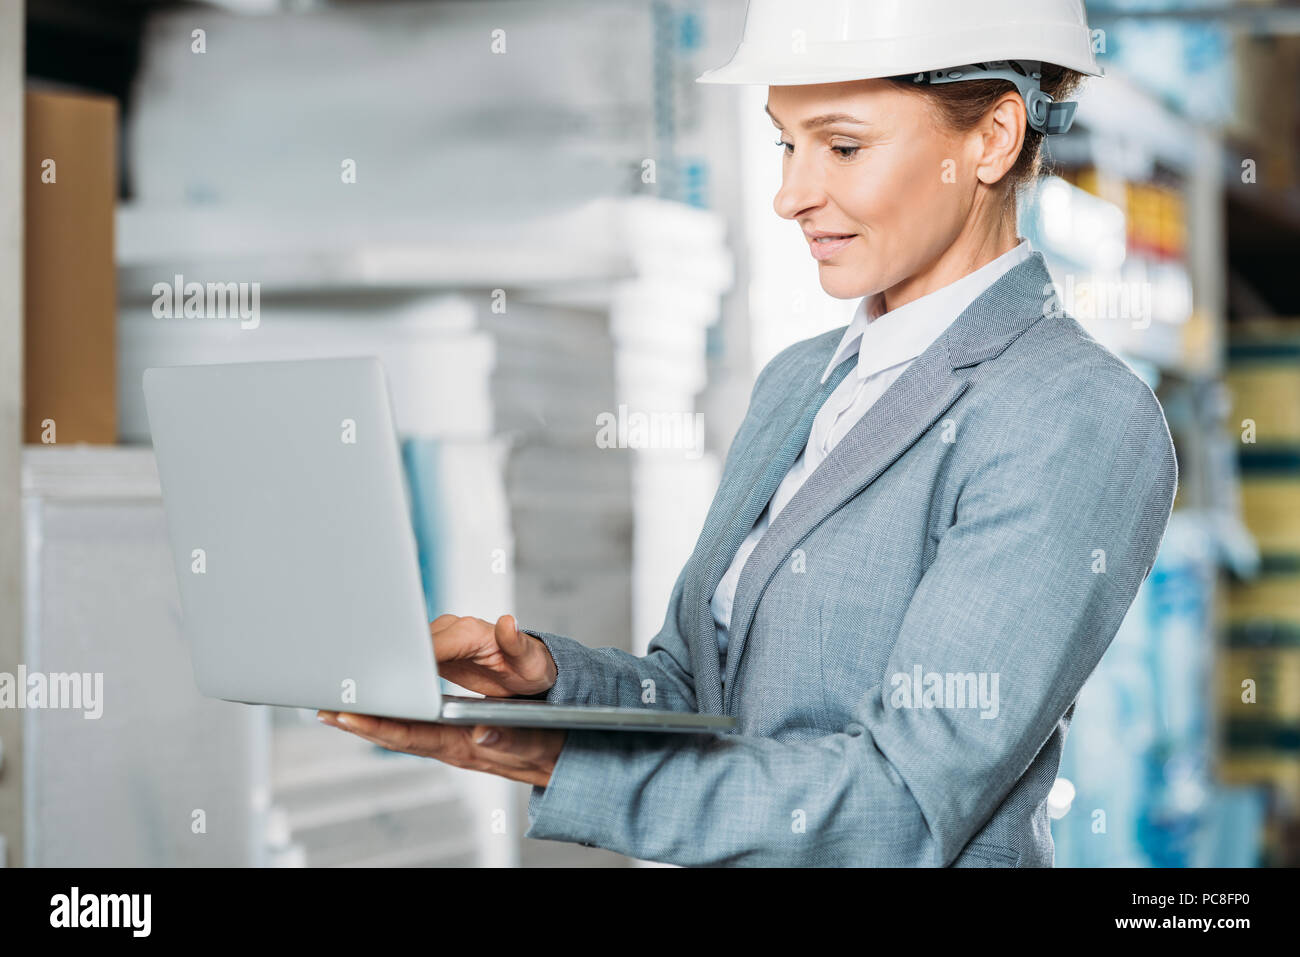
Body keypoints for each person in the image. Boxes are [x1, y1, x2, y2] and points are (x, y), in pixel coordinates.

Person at [319, 0, 1179, 866]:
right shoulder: (801, 380)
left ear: (991, 139)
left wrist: (550, 760)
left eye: (842, 146)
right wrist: (548, 680)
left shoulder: (1070, 413)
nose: (789, 195)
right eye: (785, 143)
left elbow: (903, 805)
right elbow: (702, 692)